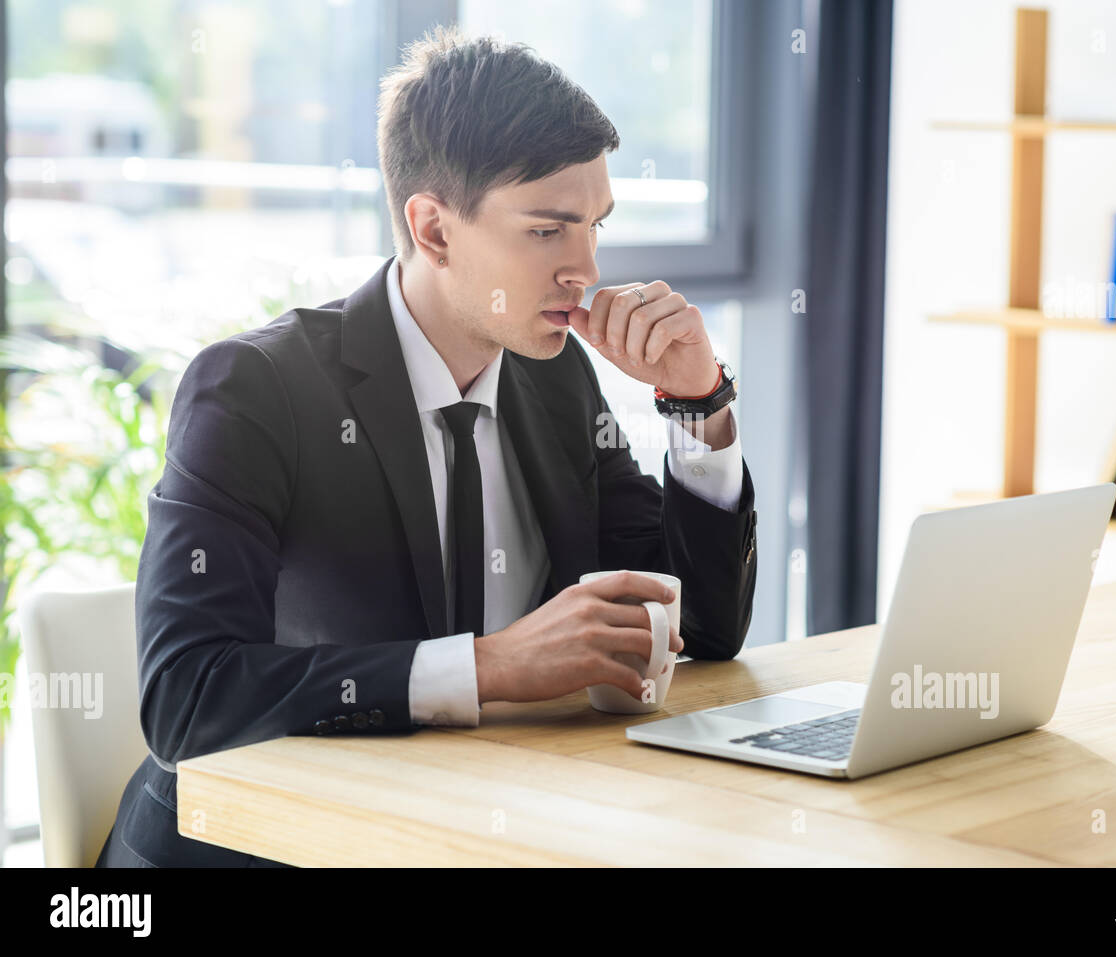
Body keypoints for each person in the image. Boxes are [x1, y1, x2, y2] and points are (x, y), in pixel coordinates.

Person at [97, 24, 757, 867]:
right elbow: (188, 702)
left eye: (595, 225)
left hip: (469, 829)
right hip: (255, 850)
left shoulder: (553, 380)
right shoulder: (253, 390)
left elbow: (701, 627)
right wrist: (489, 667)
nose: (585, 268)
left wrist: (698, 403)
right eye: (548, 231)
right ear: (435, 231)